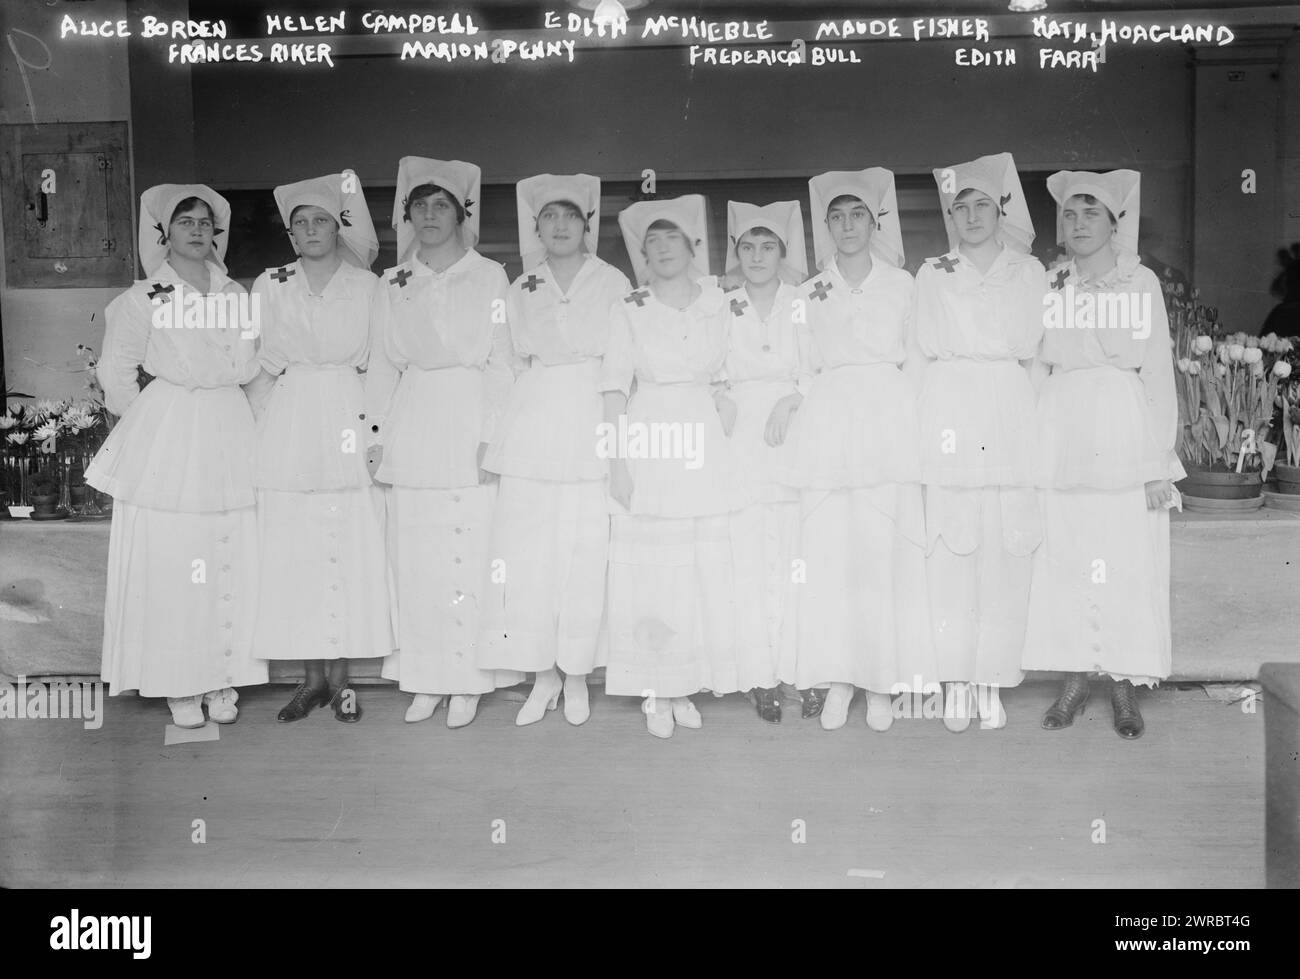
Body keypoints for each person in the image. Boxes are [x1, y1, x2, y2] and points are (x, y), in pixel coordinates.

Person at [86, 185, 267, 727]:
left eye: (204, 221)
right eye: (184, 221)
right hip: (171, 428)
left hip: (230, 425)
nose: (195, 229)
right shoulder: (145, 297)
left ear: (216, 232)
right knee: (173, 557)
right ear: (164, 233)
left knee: (228, 549)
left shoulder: (239, 296)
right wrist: (152, 422)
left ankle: (221, 676)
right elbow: (115, 371)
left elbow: (256, 371)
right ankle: (178, 682)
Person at [775, 168, 937, 732]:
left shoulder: (903, 284)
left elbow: (916, 361)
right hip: (829, 422)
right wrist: (791, 401)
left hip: (887, 419)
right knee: (832, 555)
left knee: (881, 552)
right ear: (826, 226)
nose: (847, 226)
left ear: (875, 222)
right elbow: (800, 365)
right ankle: (839, 678)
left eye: (858, 216)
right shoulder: (807, 292)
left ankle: (880, 683)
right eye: (837, 217)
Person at [1024, 170, 1183, 739]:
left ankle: (1122, 683)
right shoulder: (1051, 281)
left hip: (1122, 426)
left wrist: (1157, 460)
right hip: (1061, 428)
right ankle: (1072, 678)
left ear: (1115, 223)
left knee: (1122, 555)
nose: (1078, 224)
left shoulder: (1139, 283)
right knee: (1065, 552)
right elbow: (1038, 365)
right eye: (1069, 214)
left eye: (1091, 213)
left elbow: (1158, 371)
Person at [364, 157, 523, 728]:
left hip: (469, 414)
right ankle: (426, 677)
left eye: (442, 206)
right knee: (418, 555)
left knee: (470, 550)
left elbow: (503, 362)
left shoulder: (489, 276)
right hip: (413, 418)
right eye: (420, 206)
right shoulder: (393, 280)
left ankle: (468, 681)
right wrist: (376, 437)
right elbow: (382, 366)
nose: (429, 216)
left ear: (461, 215)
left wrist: (492, 437)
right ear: (406, 215)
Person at [477, 174, 630, 725]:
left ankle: (578, 674)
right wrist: (492, 437)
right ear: (535, 227)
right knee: (531, 558)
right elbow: (505, 364)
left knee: (585, 553)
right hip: (533, 425)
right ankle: (542, 675)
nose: (559, 226)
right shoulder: (521, 288)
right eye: (549, 217)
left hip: (590, 418)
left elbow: (622, 364)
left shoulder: (613, 282)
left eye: (570, 216)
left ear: (587, 223)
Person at [247, 172, 394, 723]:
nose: (311, 230)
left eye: (321, 221)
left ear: (339, 226)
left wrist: (377, 434)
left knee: (350, 543)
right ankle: (311, 680)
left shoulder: (367, 285)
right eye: (300, 223)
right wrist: (263, 429)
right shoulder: (270, 283)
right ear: (290, 234)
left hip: (348, 409)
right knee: (301, 550)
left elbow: (382, 363)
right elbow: (257, 366)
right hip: (291, 418)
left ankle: (344, 682)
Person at [599, 195, 740, 738]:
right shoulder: (628, 308)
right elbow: (614, 390)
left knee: (698, 568)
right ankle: (655, 688)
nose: (661, 249)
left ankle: (687, 681)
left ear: (692, 247)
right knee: (654, 574)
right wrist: (618, 464)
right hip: (651, 435)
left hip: (703, 438)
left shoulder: (718, 302)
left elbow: (730, 371)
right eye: (650, 241)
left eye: (671, 239)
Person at [913, 153, 1046, 731]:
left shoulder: (1030, 272)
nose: (970, 215)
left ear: (1001, 210)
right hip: (950, 407)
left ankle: (993, 678)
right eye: (959, 206)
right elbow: (918, 358)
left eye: (981, 205)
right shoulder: (933, 272)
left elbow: (1038, 360)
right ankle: (956, 681)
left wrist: (1038, 430)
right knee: (952, 544)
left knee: (1004, 546)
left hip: (1009, 410)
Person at [717, 200, 806, 722]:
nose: (756, 256)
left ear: (782, 252)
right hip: (740, 432)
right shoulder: (721, 303)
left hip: (793, 424)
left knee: (792, 547)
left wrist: (795, 398)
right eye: (746, 247)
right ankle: (758, 673)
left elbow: (820, 362)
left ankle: (796, 665)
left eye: (767, 246)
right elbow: (702, 364)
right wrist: (718, 395)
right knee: (748, 548)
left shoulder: (803, 300)